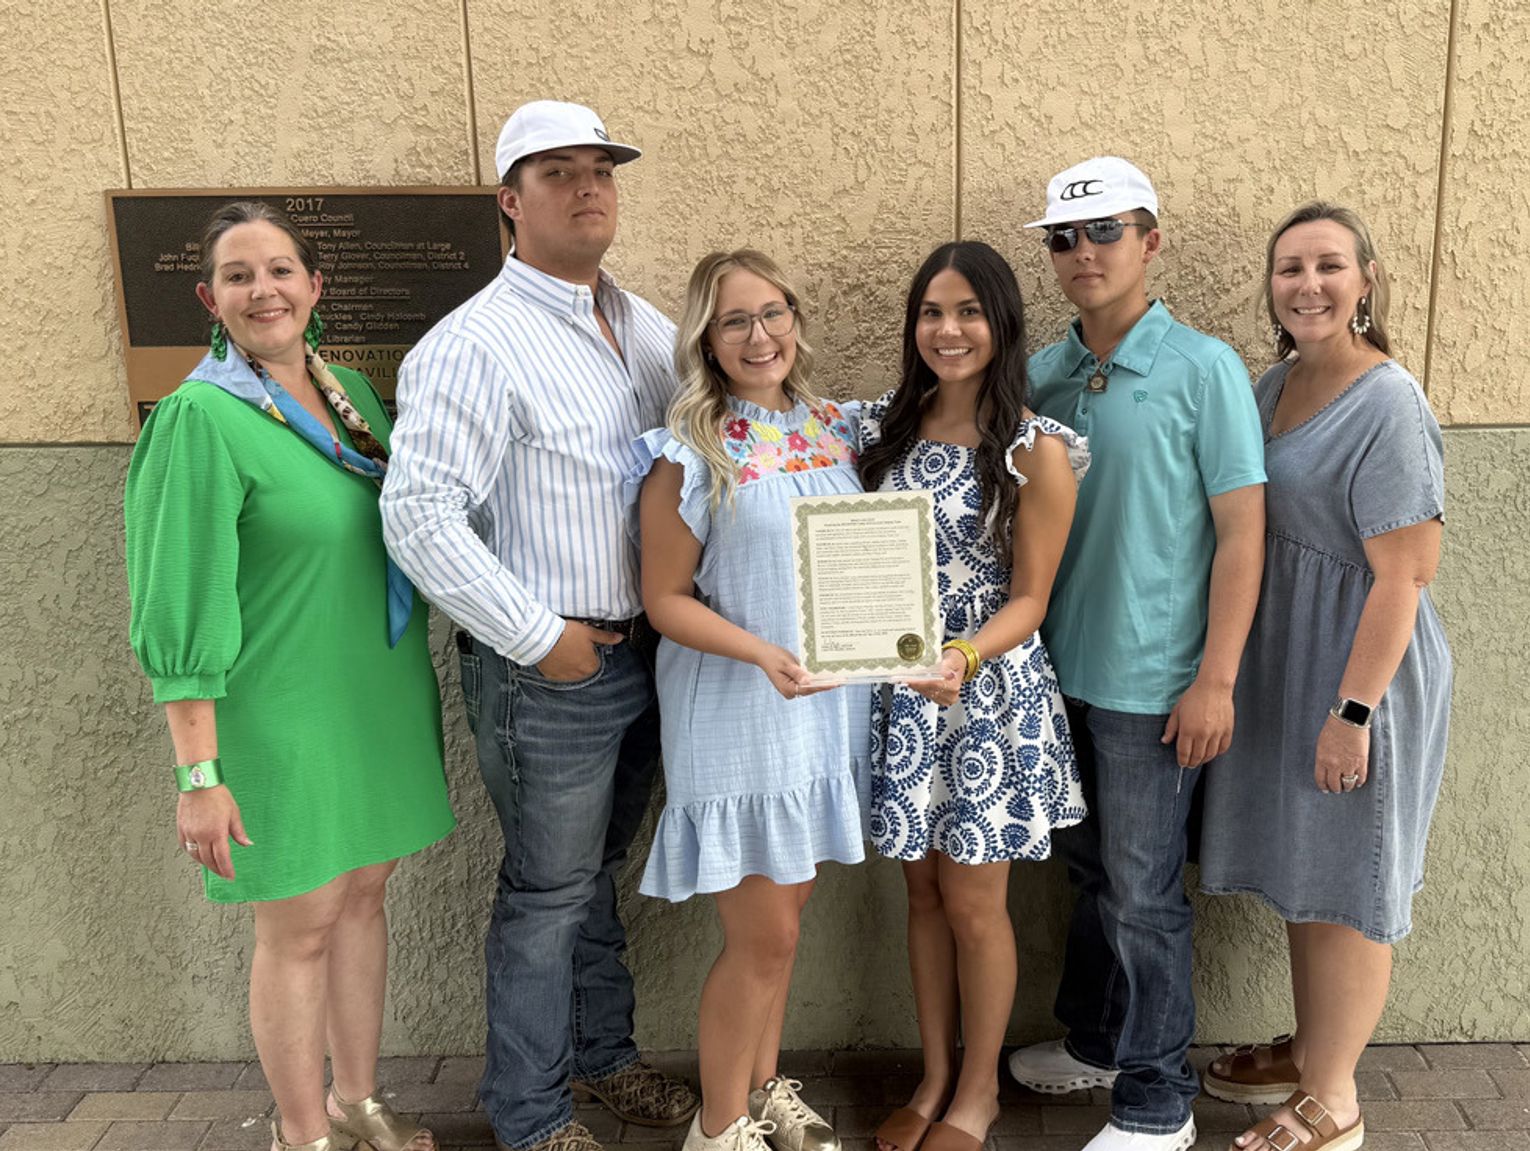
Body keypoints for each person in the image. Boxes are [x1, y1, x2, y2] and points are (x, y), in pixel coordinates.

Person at [379, 100, 697, 1151]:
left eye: (600, 168)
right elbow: (418, 516)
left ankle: (603, 1057)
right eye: (556, 172)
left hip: (647, 652)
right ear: (510, 202)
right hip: (549, 668)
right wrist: (536, 636)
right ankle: (529, 1112)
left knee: (591, 876)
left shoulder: (644, 327)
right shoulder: (475, 344)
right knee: (547, 892)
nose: (587, 186)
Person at [125, 200, 456, 1151]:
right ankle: (302, 1132)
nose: (262, 290)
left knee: (363, 897)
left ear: (315, 285)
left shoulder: (351, 392)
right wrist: (199, 774)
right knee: (299, 923)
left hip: (373, 695)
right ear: (210, 299)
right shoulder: (199, 418)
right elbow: (179, 601)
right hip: (279, 710)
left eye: (279, 270)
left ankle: (357, 1099)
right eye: (238, 275)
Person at [1005, 158, 1268, 1151]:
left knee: (1145, 894)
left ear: (1150, 242)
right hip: (1054, 674)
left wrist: (1216, 679)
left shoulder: (1204, 369)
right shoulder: (1043, 374)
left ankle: (1158, 1102)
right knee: (1093, 877)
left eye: (1105, 230)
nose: (1083, 252)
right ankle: (1101, 1040)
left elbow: (1242, 534)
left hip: (1153, 683)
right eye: (1063, 238)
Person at [1197, 202, 1451, 1151]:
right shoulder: (1274, 385)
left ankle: (1334, 1100)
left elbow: (1405, 575)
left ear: (1366, 280)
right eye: (1290, 268)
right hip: (1289, 661)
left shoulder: (1389, 403)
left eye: (1329, 266)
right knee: (1308, 864)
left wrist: (1353, 713)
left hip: (1359, 671)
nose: (1307, 284)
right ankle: (1311, 1050)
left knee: (1350, 877)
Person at [633, 250, 870, 1151]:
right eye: (735, 320)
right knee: (761, 936)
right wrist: (761, 652)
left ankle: (764, 1089)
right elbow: (666, 599)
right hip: (738, 713)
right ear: (707, 339)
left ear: (795, 320)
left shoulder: (834, 428)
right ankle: (718, 1122)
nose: (759, 334)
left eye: (772, 313)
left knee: (787, 921)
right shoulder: (689, 450)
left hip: (821, 711)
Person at [859, 240, 1089, 1151]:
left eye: (968, 312)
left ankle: (979, 1091)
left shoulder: (1037, 450)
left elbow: (1032, 599)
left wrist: (962, 653)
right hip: (905, 700)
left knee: (973, 904)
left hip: (985, 697)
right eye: (931, 312)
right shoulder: (881, 428)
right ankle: (933, 1075)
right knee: (920, 894)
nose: (947, 330)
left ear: (1002, 323)